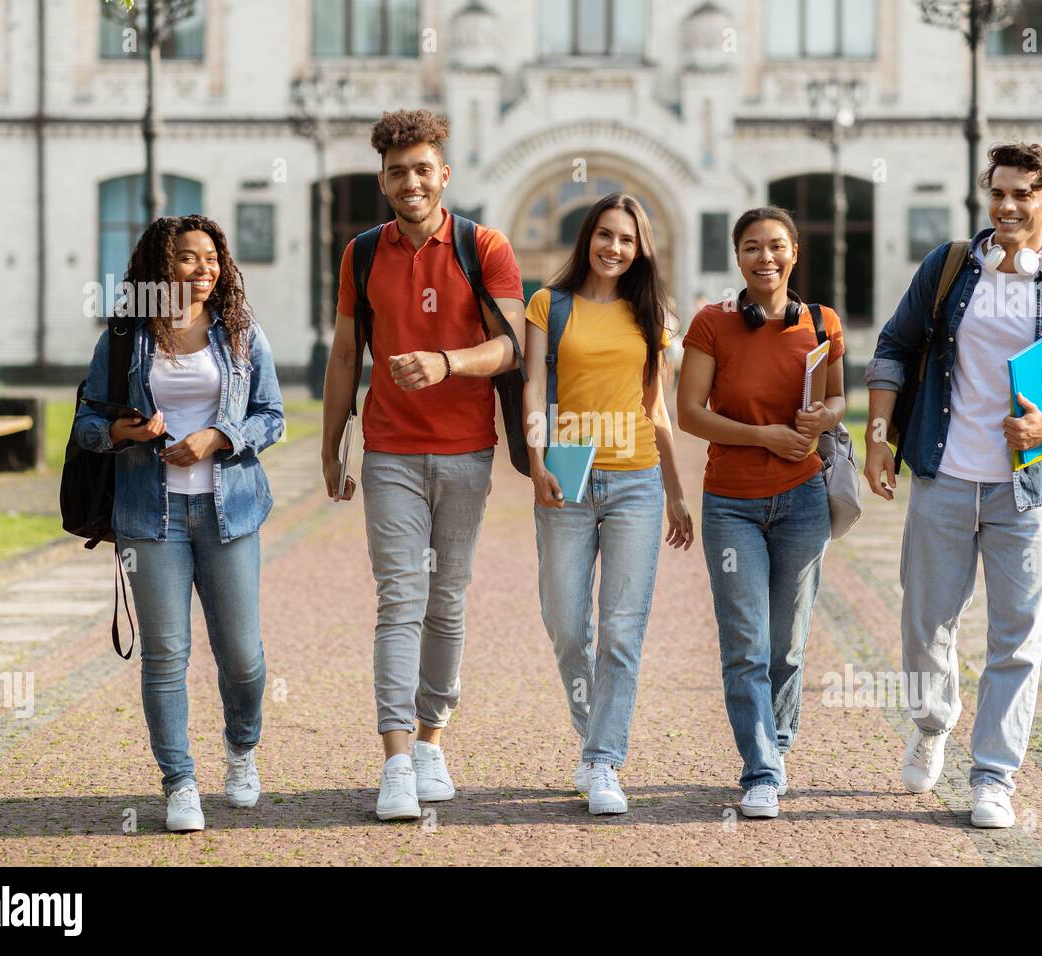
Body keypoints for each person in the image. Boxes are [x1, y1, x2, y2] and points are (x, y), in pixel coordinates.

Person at [863, 142, 1042, 828]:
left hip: (1028, 490)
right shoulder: (950, 270)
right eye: (998, 192)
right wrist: (878, 436)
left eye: (1022, 195)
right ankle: (932, 724)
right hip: (946, 476)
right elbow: (892, 346)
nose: (1006, 206)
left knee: (1017, 637)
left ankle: (994, 776)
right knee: (926, 626)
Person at [320, 109, 526, 822]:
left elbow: (511, 347)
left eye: (422, 169)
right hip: (392, 454)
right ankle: (397, 760)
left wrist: (446, 362)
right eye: (397, 171)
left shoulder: (484, 246)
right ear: (383, 180)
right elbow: (346, 351)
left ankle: (434, 739)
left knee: (448, 599)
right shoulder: (363, 253)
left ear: (444, 174)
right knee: (400, 599)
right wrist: (331, 442)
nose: (411, 181)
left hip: (468, 450)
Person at [74, 214, 284, 832]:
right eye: (188, 258)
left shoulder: (241, 334)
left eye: (212, 258)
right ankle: (180, 781)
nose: (203, 270)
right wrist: (121, 431)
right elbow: (87, 425)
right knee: (166, 656)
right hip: (150, 515)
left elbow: (272, 416)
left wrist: (218, 436)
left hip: (230, 513)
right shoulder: (123, 339)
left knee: (242, 657)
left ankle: (241, 749)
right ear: (159, 266)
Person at [523, 193, 693, 815]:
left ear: (639, 247)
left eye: (626, 238)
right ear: (587, 238)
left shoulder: (653, 313)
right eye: (604, 235)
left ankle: (602, 761)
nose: (614, 248)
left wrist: (676, 491)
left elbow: (657, 410)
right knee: (567, 624)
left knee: (622, 630)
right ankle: (594, 727)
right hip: (567, 469)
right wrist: (538, 461)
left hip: (636, 480)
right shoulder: (550, 304)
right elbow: (535, 390)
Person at [677, 207, 846, 819]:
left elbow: (835, 399)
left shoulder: (823, 323)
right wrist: (766, 437)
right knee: (746, 644)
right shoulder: (711, 323)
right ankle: (762, 770)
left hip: (804, 502)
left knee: (789, 645)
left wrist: (823, 417)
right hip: (732, 505)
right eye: (752, 247)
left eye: (776, 246)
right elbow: (689, 414)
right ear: (737, 256)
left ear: (794, 252)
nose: (765, 258)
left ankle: (776, 747)